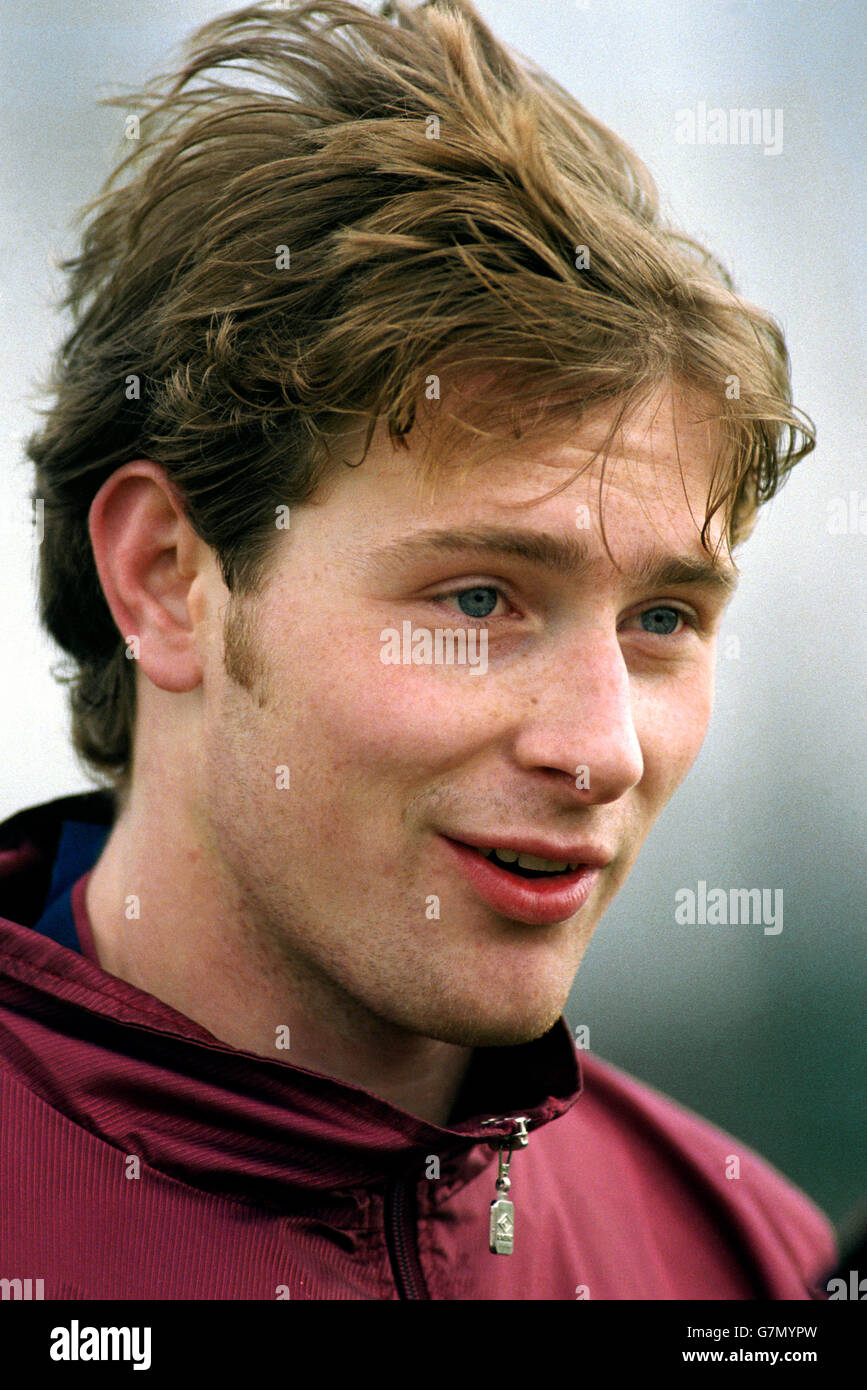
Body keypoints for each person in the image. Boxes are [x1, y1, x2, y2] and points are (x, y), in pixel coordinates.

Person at [0, 0, 836, 1299]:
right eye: (480, 600)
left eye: (662, 620)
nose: (602, 749)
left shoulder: (750, 1266)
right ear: (165, 579)